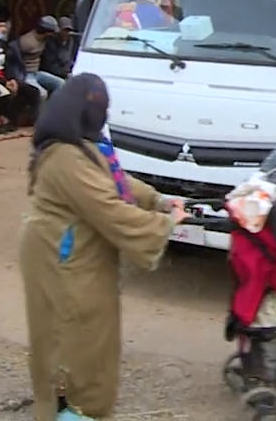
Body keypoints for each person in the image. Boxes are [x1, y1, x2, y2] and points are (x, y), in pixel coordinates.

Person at [19, 73, 186, 421]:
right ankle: (69, 410)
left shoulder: (82, 148)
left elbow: (116, 181)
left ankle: (79, 406)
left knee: (89, 332)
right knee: (73, 337)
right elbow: (109, 210)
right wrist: (164, 224)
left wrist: (157, 199)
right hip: (61, 259)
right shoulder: (65, 157)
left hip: (74, 253)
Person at [17, 16, 67, 99]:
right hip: (26, 74)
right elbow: (16, 60)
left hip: (37, 72)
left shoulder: (46, 40)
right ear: (46, 32)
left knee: (62, 84)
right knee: (42, 93)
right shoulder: (27, 42)